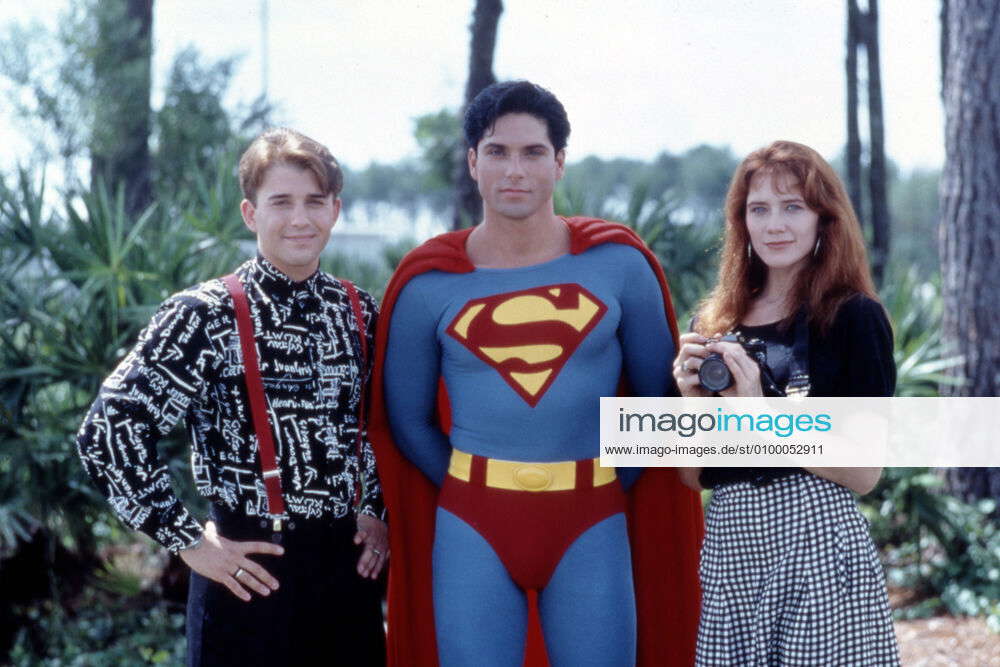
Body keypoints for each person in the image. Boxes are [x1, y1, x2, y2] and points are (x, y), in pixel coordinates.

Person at [368, 80, 703, 667]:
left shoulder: (619, 265)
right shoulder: (429, 283)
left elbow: (659, 404)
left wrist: (605, 481)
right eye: (497, 151)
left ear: (559, 162)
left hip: (592, 520)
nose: (515, 170)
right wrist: (470, 487)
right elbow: (406, 420)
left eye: (533, 152)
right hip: (473, 523)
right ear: (473, 162)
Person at [76, 128, 388, 666]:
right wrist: (188, 541)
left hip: (347, 577)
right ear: (250, 213)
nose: (300, 218)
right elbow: (107, 432)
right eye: (281, 202)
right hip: (244, 573)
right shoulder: (204, 314)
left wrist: (377, 511)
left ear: (335, 211)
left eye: (315, 201)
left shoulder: (360, 312)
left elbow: (388, 425)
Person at [672, 140, 901, 665]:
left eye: (792, 207)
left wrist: (762, 416)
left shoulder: (853, 318)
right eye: (759, 209)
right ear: (741, 222)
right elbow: (694, 477)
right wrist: (690, 403)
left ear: (824, 218)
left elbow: (865, 472)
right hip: (731, 549)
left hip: (817, 545)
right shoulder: (715, 324)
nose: (775, 225)